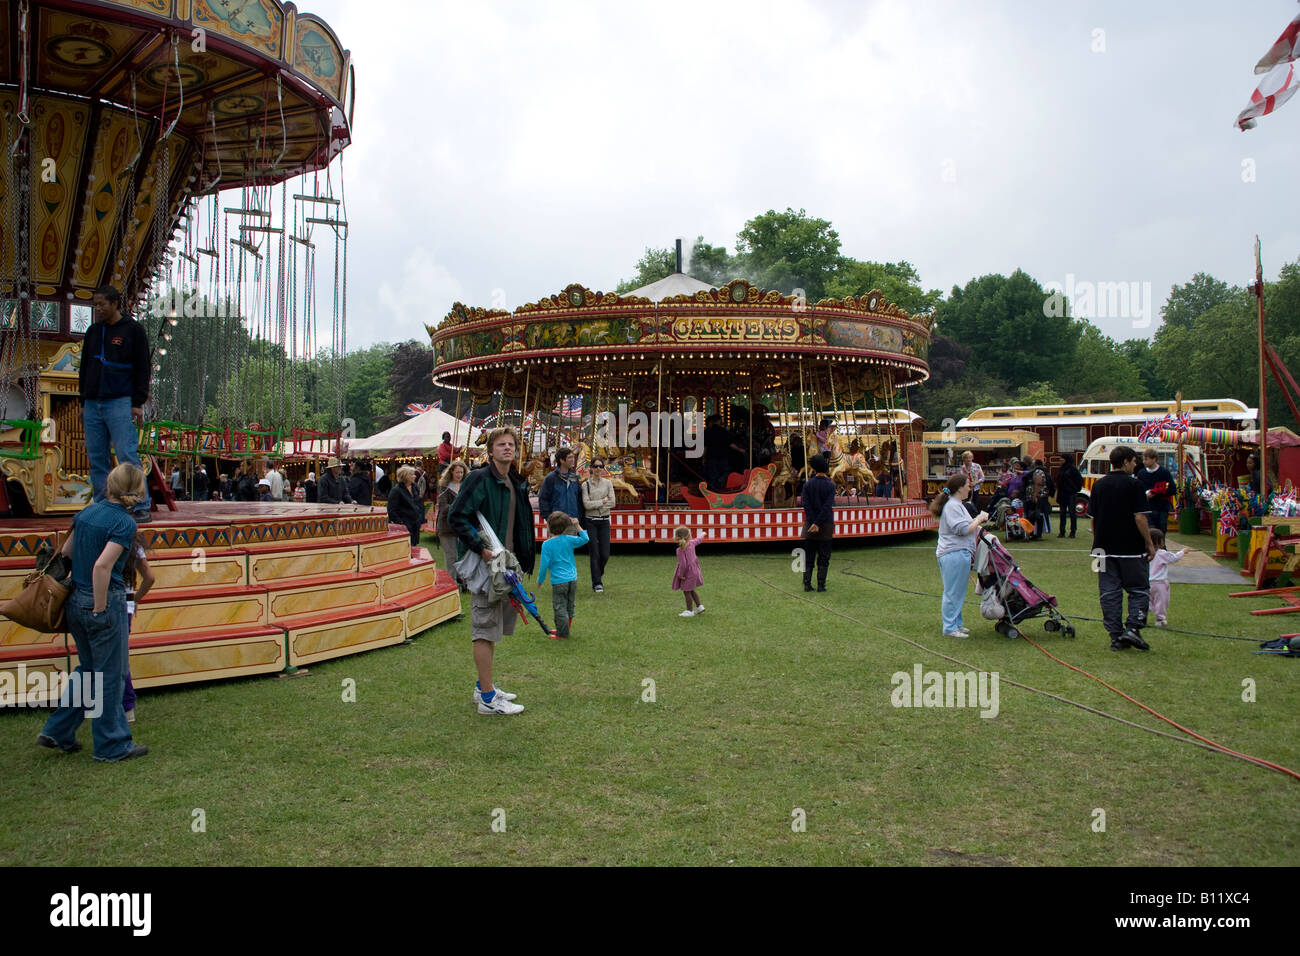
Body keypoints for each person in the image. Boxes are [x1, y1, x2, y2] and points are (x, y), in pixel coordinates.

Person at [36, 463, 149, 760]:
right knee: (110, 675)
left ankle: (58, 730)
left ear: (109, 484)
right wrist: (100, 607)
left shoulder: (86, 513)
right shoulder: (124, 523)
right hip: (102, 601)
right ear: (137, 490)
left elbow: (66, 554)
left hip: (75, 599)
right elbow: (103, 565)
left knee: (87, 670)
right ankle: (112, 744)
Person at [449, 426, 535, 716]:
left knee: (494, 627)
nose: (507, 448)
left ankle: (482, 686)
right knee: (484, 629)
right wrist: (480, 548)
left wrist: (524, 558)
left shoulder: (514, 480)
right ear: (490, 451)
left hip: (506, 564)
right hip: (487, 564)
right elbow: (456, 516)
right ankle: (487, 698)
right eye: (501, 445)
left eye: (511, 444)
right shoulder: (479, 479)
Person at [79, 286, 152, 522]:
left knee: (126, 453)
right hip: (93, 401)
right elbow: (84, 367)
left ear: (114, 304)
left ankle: (140, 504)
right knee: (96, 455)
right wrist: (83, 399)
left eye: (102, 304)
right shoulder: (93, 331)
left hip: (120, 400)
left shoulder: (133, 330)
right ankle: (103, 502)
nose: (98, 309)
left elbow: (143, 368)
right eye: (95, 305)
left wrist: (137, 402)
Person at [1091, 445, 1156, 652]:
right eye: (1134, 461)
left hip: (1101, 550)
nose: (1136, 465)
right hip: (1130, 548)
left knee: (1108, 591)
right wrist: (1149, 542)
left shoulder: (1098, 485)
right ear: (1126, 462)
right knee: (1138, 589)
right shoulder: (1135, 485)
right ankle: (1133, 628)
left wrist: (1099, 539)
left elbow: (1093, 520)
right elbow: (1140, 517)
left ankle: (1115, 635)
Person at [931, 473, 989, 639]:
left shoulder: (956, 504)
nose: (970, 488)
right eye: (968, 485)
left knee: (957, 591)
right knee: (953, 592)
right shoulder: (953, 506)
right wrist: (980, 518)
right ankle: (950, 627)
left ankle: (956, 623)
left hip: (956, 553)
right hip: (954, 553)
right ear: (960, 488)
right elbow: (963, 529)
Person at [536, 511, 589, 639]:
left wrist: (540, 580)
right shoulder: (569, 539)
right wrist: (577, 525)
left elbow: (544, 566)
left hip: (559, 581)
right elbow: (585, 539)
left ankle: (562, 633)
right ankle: (564, 629)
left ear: (549, 527)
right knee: (569, 605)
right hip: (572, 578)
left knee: (559, 607)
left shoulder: (547, 544)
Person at [121, 531, 155, 723]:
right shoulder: (131, 539)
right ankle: (126, 708)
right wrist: (133, 600)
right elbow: (149, 577)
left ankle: (124, 706)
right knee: (119, 657)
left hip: (97, 599)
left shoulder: (91, 529)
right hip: (123, 599)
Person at [801, 453, 835, 592]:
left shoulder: (808, 484)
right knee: (824, 556)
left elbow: (806, 505)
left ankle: (807, 584)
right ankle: (821, 584)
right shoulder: (830, 485)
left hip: (810, 524)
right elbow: (827, 506)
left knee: (809, 556)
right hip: (825, 524)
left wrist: (813, 522)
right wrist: (819, 523)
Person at [581, 456, 615, 592]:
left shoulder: (608, 483)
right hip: (591, 521)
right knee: (594, 552)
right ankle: (597, 583)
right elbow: (586, 505)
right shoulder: (586, 485)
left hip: (604, 521)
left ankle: (597, 573)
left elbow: (613, 502)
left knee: (605, 553)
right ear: (591, 468)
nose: (598, 469)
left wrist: (601, 505)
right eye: (595, 466)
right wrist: (602, 502)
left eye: (601, 466)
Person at [436, 461, 468, 590]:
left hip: (461, 526)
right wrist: (459, 506)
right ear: (451, 472)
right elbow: (444, 507)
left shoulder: (465, 485)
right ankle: (452, 583)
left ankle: (463, 580)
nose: (459, 475)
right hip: (446, 527)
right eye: (457, 472)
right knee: (451, 555)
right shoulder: (444, 487)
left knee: (463, 555)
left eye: (461, 472)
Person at [1147, 528, 1188, 627]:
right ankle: (1160, 619)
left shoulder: (1144, 553)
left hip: (1147, 583)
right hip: (1160, 583)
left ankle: (1141, 616)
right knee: (1161, 601)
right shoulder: (1162, 553)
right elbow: (1174, 558)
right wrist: (1183, 551)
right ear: (1160, 542)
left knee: (1146, 601)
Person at [537, 447, 585, 523]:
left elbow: (579, 499)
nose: (573, 460)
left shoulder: (574, 478)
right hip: (557, 522)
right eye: (569, 457)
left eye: (573, 457)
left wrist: (580, 516)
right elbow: (543, 499)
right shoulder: (551, 478)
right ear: (562, 460)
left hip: (573, 521)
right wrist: (549, 518)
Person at [386, 465, 425, 555]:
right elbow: (391, 510)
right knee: (407, 549)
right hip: (404, 524)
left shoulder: (415, 487)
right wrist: (401, 523)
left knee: (414, 547)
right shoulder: (396, 491)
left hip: (415, 522)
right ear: (405, 476)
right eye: (412, 474)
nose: (414, 476)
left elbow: (417, 502)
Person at [1135, 449, 1175, 535]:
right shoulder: (1141, 473)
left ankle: (1162, 547)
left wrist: (1156, 493)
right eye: (1143, 459)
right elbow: (1138, 490)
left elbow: (1172, 489)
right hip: (1148, 508)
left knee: (1161, 530)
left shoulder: (1164, 472)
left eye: (1146, 459)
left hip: (1162, 507)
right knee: (1150, 531)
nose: (1144, 461)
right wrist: (1145, 494)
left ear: (1154, 459)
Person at [671, 526, 707, 617]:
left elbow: (683, 564)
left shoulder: (680, 550)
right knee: (691, 589)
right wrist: (703, 534)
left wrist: (680, 575)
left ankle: (689, 611)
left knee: (686, 591)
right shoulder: (692, 543)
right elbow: (699, 539)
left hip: (687, 573)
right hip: (695, 571)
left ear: (676, 537)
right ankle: (699, 607)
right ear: (689, 536)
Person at [1056, 452, 1084, 539]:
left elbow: (1079, 480)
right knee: (1062, 513)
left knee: (1072, 513)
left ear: (1066, 460)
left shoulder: (1072, 469)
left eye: (1062, 458)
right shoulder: (1061, 469)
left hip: (1071, 494)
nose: (1060, 460)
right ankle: (1062, 531)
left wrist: (1075, 489)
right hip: (1062, 494)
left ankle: (1073, 531)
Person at [1022, 462, 1053, 541]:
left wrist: (1035, 495)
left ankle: (1037, 534)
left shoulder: (1038, 472)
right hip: (1034, 496)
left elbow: (1038, 483)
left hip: (1037, 497)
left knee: (1037, 515)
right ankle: (1032, 533)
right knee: (1032, 516)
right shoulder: (1036, 471)